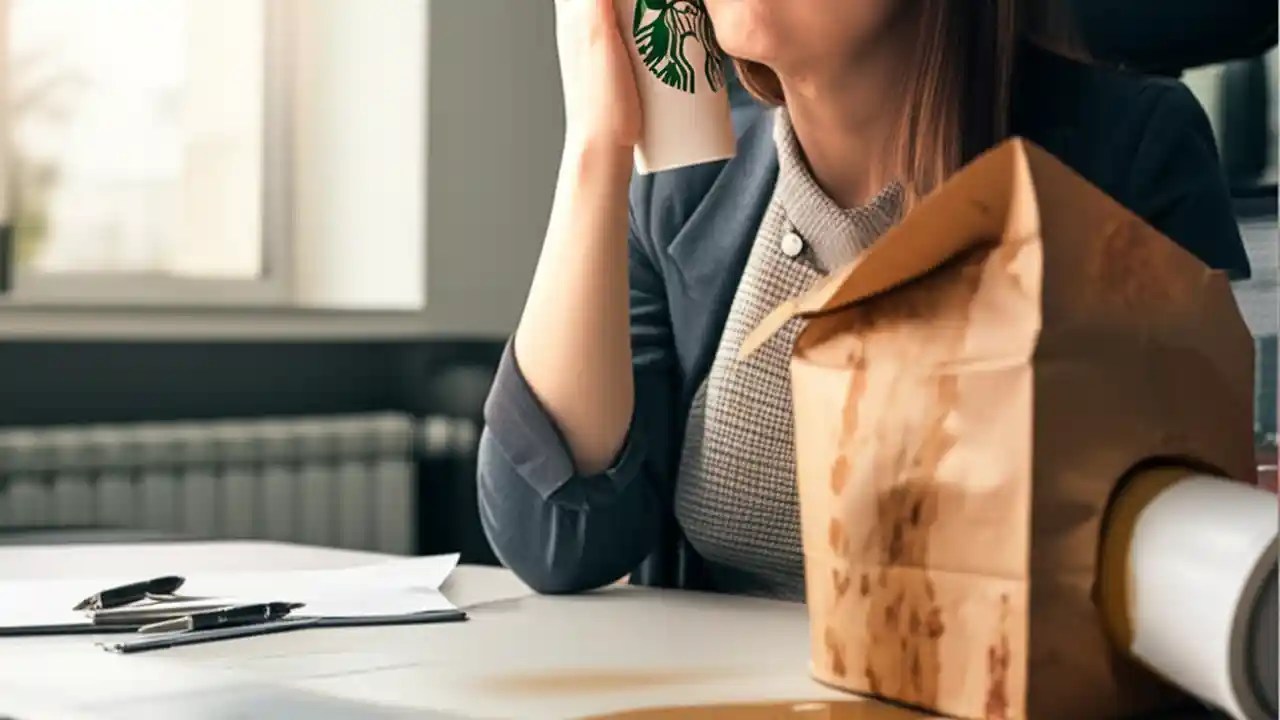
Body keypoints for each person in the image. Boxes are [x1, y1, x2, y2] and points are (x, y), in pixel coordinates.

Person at [477, 0, 1252, 600]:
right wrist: (596, 151)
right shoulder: (687, 186)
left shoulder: (1131, 151)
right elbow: (556, 538)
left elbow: (1174, 561)